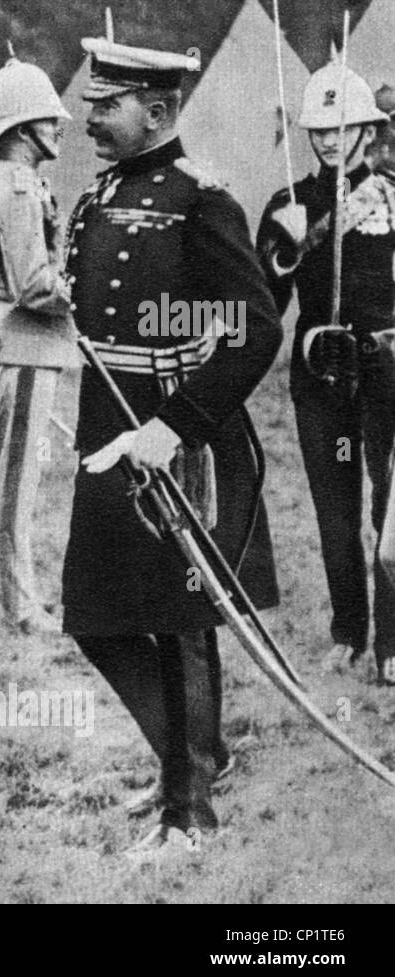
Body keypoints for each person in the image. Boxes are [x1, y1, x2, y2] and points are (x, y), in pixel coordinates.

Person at [63, 37, 282, 859]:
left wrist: (173, 426)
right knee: (95, 610)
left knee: (180, 617)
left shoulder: (202, 200)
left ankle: (189, 811)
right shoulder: (102, 195)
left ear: (156, 113)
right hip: (107, 424)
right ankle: (192, 754)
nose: (89, 118)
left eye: (106, 105)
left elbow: (254, 328)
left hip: (178, 432)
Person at [258, 63, 395, 683]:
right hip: (320, 375)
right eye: (320, 131)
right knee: (335, 511)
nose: (331, 142)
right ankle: (348, 631)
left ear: (367, 129)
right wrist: (282, 255)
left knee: (389, 513)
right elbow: (265, 306)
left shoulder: (391, 198)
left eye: (343, 129)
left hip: (386, 373)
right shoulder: (288, 204)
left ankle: (393, 642)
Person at [0, 59, 75, 636]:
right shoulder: (13, 185)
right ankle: (19, 607)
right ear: (20, 129)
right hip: (25, 345)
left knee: (19, 481)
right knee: (16, 487)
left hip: (23, 345)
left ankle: (22, 599)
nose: (59, 128)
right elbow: (34, 285)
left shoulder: (19, 183)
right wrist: (85, 295)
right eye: (47, 119)